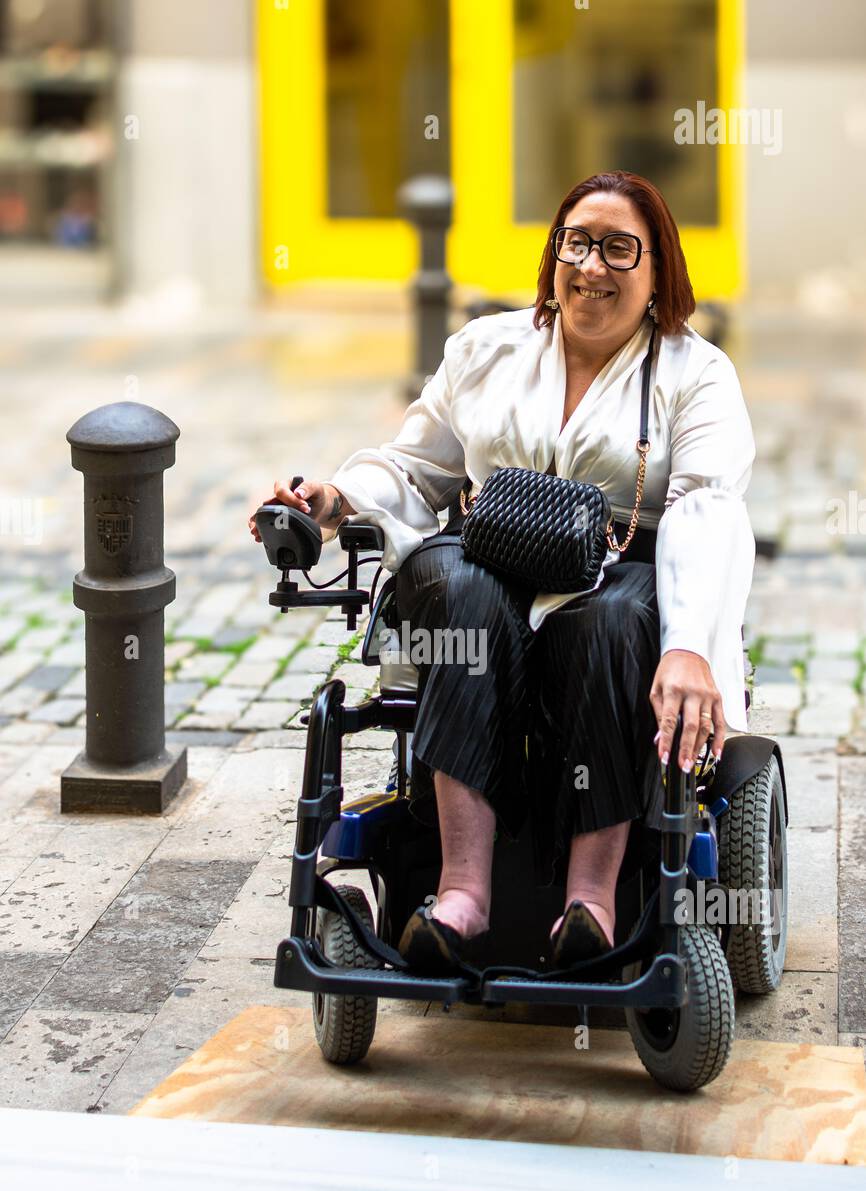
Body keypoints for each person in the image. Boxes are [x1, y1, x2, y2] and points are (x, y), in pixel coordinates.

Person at [249, 170, 756, 977]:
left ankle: (590, 903)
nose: (591, 266)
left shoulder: (695, 375)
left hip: (623, 568)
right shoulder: (486, 349)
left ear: (660, 272)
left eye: (620, 249)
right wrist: (337, 496)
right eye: (576, 242)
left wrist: (691, 644)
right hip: (487, 561)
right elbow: (415, 467)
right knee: (462, 592)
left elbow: (705, 507)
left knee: (615, 620)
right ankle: (462, 897)